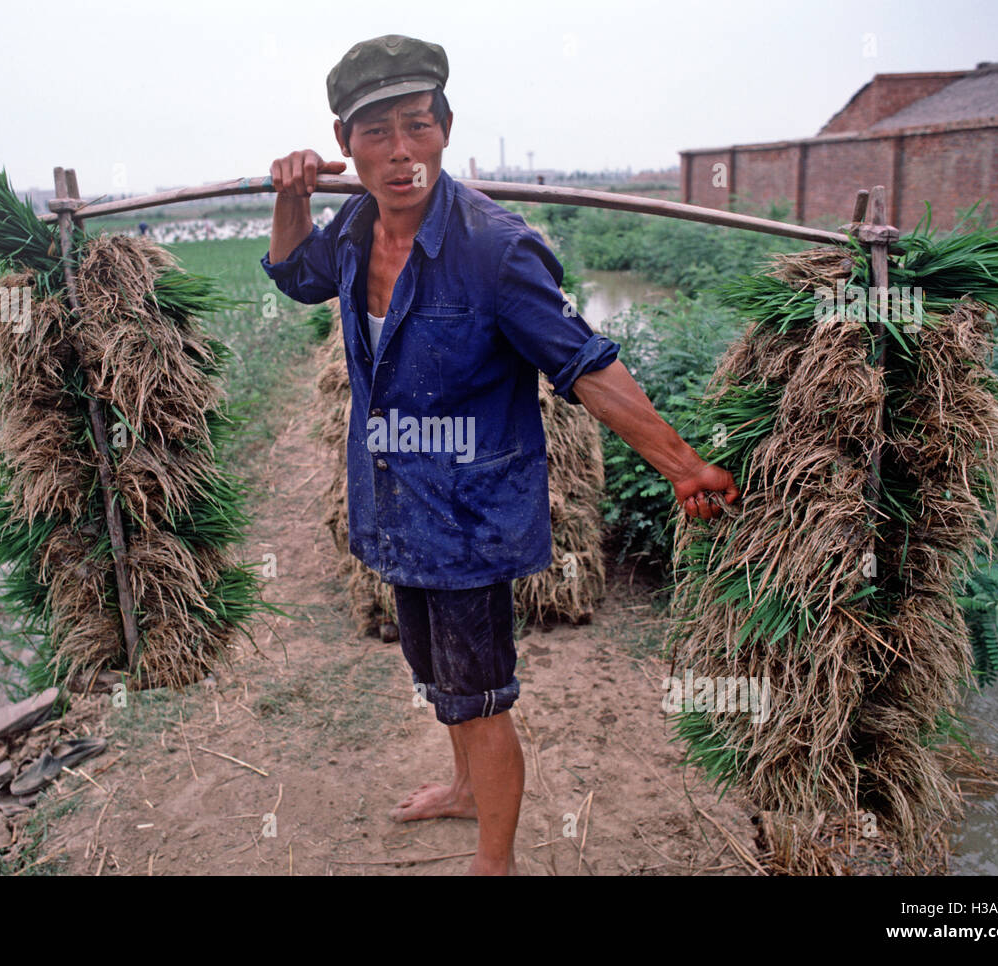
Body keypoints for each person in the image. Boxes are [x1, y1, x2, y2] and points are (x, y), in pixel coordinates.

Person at [262, 34, 738, 876]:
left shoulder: (495, 248)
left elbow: (584, 363)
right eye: (378, 134)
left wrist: (682, 464)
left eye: (418, 127)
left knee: (481, 702)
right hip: (395, 504)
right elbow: (296, 275)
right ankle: (464, 788)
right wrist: (290, 194)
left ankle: (497, 861)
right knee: (438, 679)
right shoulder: (354, 224)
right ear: (346, 144)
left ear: (445, 126)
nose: (402, 153)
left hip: (470, 520)